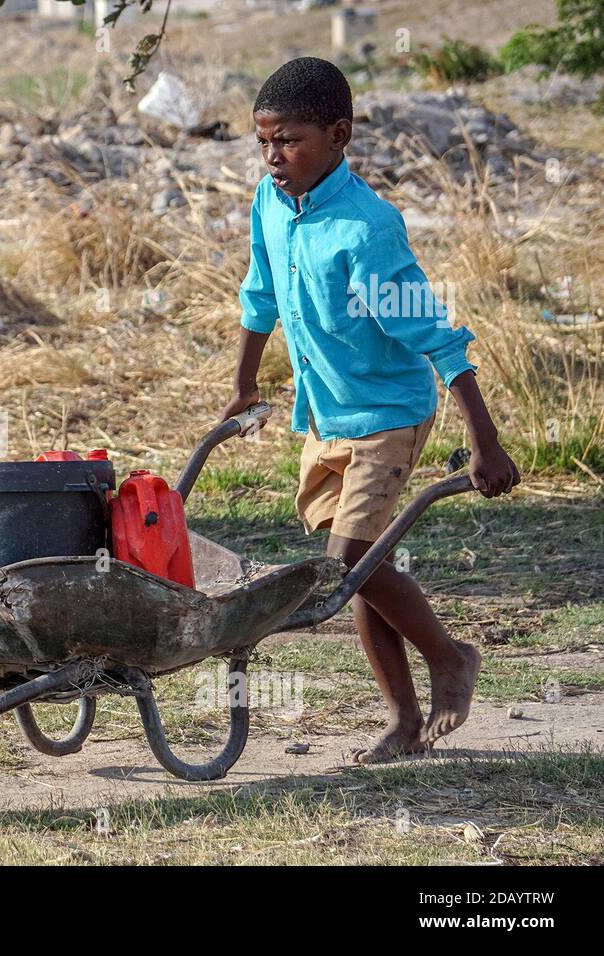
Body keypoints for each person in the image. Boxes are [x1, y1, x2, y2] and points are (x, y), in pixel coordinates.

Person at [218, 57, 520, 763]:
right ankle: (405, 721)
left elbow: (435, 335)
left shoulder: (367, 229)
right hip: (325, 418)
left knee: (348, 560)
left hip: (388, 412)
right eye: (263, 142)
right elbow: (259, 293)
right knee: (354, 572)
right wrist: (243, 385)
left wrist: (486, 440)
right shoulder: (271, 201)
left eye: (287, 140)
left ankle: (450, 660)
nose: (272, 157)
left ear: (338, 134)